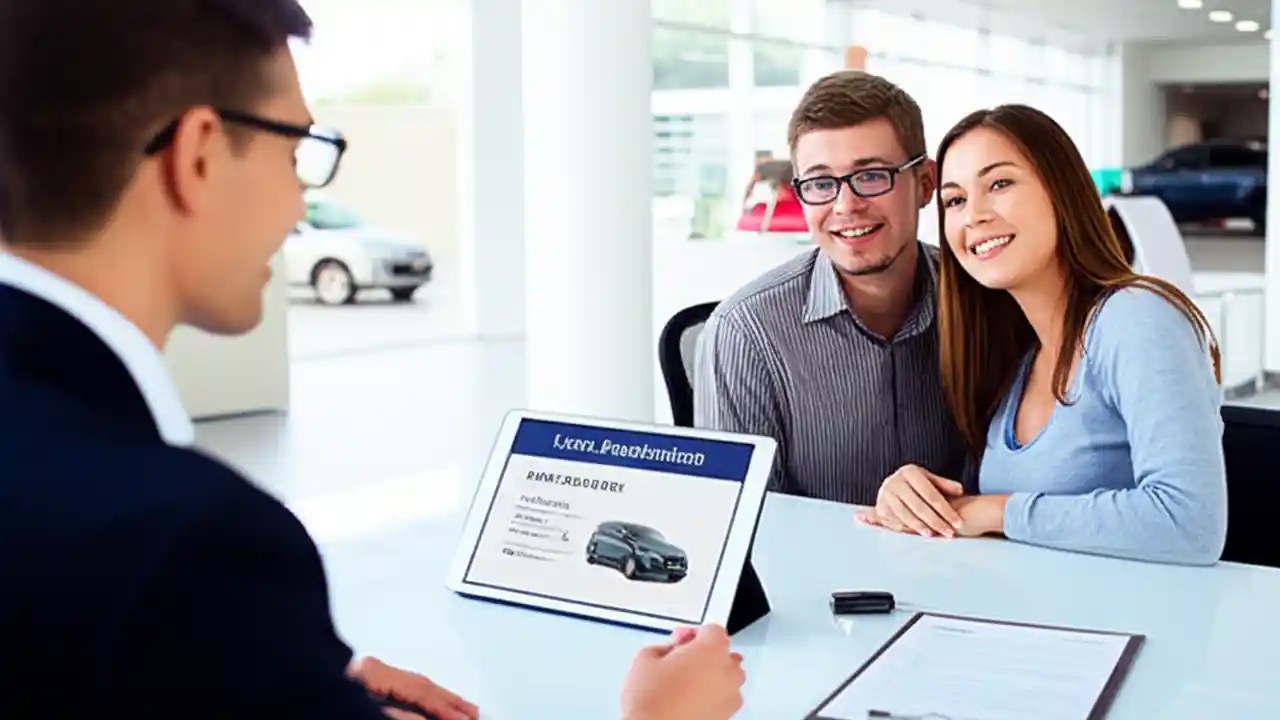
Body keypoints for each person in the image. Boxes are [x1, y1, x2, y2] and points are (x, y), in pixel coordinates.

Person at [0, 2, 746, 718]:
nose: (299, 203)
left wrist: (284, 683)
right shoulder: (194, 546)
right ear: (196, 155)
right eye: (296, 151)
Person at [858, 104, 1228, 566]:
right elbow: (985, 518)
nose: (974, 216)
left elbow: (1190, 523)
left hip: (1131, 630)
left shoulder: (1136, 317)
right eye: (955, 201)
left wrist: (995, 510)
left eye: (999, 184)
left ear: (1061, 191)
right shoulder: (1020, 355)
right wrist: (915, 496)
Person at [694, 70, 968, 507]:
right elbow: (740, 524)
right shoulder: (746, 333)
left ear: (925, 184)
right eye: (821, 184)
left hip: (973, 565)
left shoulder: (983, 299)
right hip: (819, 574)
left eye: (873, 176)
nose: (846, 206)